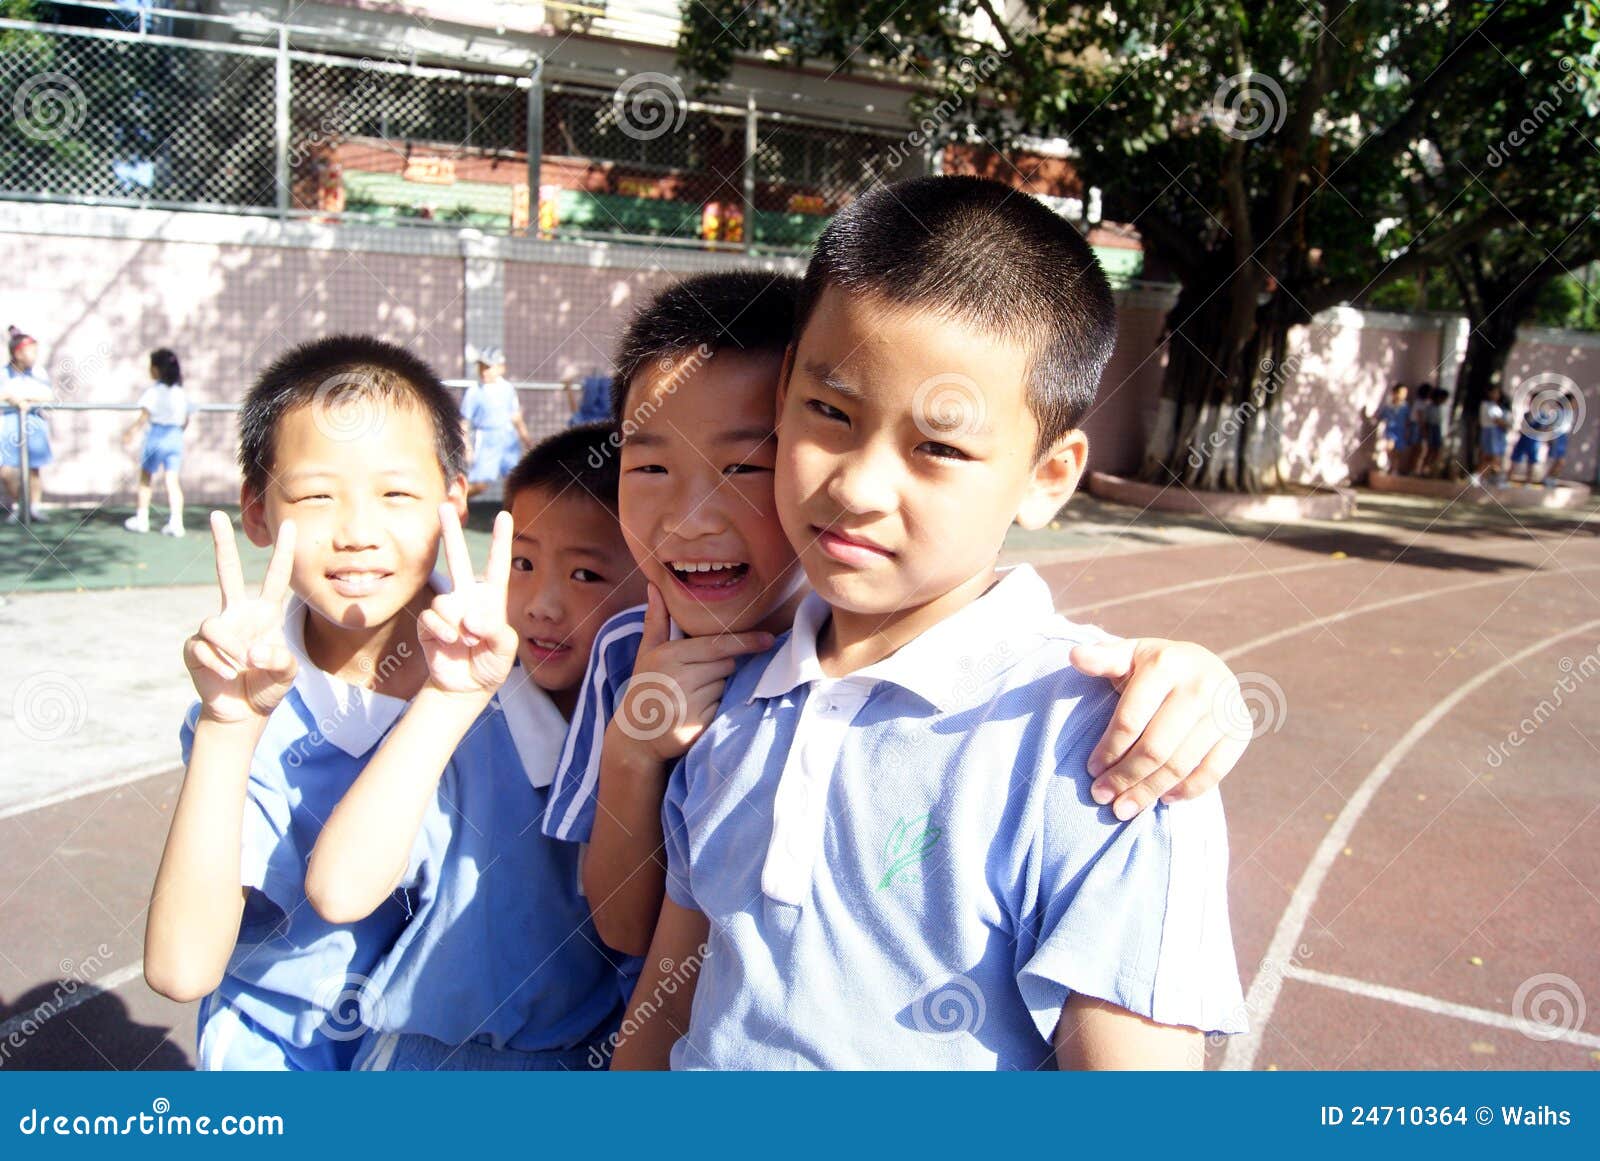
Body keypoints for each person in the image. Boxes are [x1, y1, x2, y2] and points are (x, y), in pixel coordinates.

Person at [612, 176, 1243, 1070]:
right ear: (784, 394)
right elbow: (669, 1002)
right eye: (831, 413)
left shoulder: (1114, 751)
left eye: (939, 447)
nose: (858, 487)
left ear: (1047, 477)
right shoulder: (734, 691)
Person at [143, 335, 470, 1069]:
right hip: (275, 1055)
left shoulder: (517, 672)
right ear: (257, 511)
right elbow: (181, 969)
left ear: (453, 502)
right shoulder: (242, 698)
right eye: (317, 495)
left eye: (396, 494)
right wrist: (226, 729)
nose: (357, 533)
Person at [304, 424, 648, 1070]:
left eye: (585, 573)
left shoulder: (665, 735)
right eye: (522, 563)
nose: (542, 604)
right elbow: (337, 889)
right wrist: (447, 698)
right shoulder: (468, 723)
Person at [122, 348, 190, 536]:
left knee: (145, 478)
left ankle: (142, 519)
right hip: (175, 437)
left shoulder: (153, 392)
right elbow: (185, 420)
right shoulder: (180, 392)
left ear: (157, 369)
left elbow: (143, 417)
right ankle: (176, 523)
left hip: (156, 436)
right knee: (172, 481)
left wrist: (130, 432)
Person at [461, 347, 532, 498]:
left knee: (514, 483)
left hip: (509, 440)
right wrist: (467, 446)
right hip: (487, 441)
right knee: (480, 484)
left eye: (488, 367)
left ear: (501, 368)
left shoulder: (508, 389)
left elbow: (516, 417)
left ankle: (509, 512)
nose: (484, 371)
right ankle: (455, 503)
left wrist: (527, 441)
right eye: (481, 366)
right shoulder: (474, 392)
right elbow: (464, 422)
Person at [2, 326, 54, 522]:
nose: (34, 356)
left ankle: (34, 508)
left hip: (34, 423)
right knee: (6, 470)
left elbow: (48, 396)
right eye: (30, 351)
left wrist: (26, 399)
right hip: (9, 425)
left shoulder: (39, 373)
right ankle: (19, 505)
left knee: (33, 468)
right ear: (18, 353)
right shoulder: (3, 373)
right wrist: (12, 398)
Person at [1542, 387, 1581, 487]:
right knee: (1557, 460)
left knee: (1560, 461)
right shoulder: (1558, 412)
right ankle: (1547, 478)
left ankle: (1552, 478)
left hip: (1563, 437)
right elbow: (1550, 426)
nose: (1575, 404)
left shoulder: (1570, 413)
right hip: (1557, 437)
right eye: (1573, 401)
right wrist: (1549, 438)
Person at [1475, 384, 1512, 487]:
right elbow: (1497, 420)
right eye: (1495, 392)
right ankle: (1480, 477)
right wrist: (1508, 425)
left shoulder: (1493, 405)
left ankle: (1484, 478)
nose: (1497, 395)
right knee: (1493, 458)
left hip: (1494, 433)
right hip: (1491, 433)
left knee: (1490, 458)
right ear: (1489, 393)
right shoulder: (1488, 405)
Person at [1375, 383, 1410, 473]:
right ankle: (1389, 466)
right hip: (1390, 431)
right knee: (1390, 448)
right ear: (1395, 393)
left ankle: (1394, 468)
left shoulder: (1405, 406)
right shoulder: (1388, 406)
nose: (1403, 395)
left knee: (1398, 451)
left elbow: (1408, 419)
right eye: (1401, 393)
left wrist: (1407, 430)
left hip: (1400, 431)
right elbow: (1381, 416)